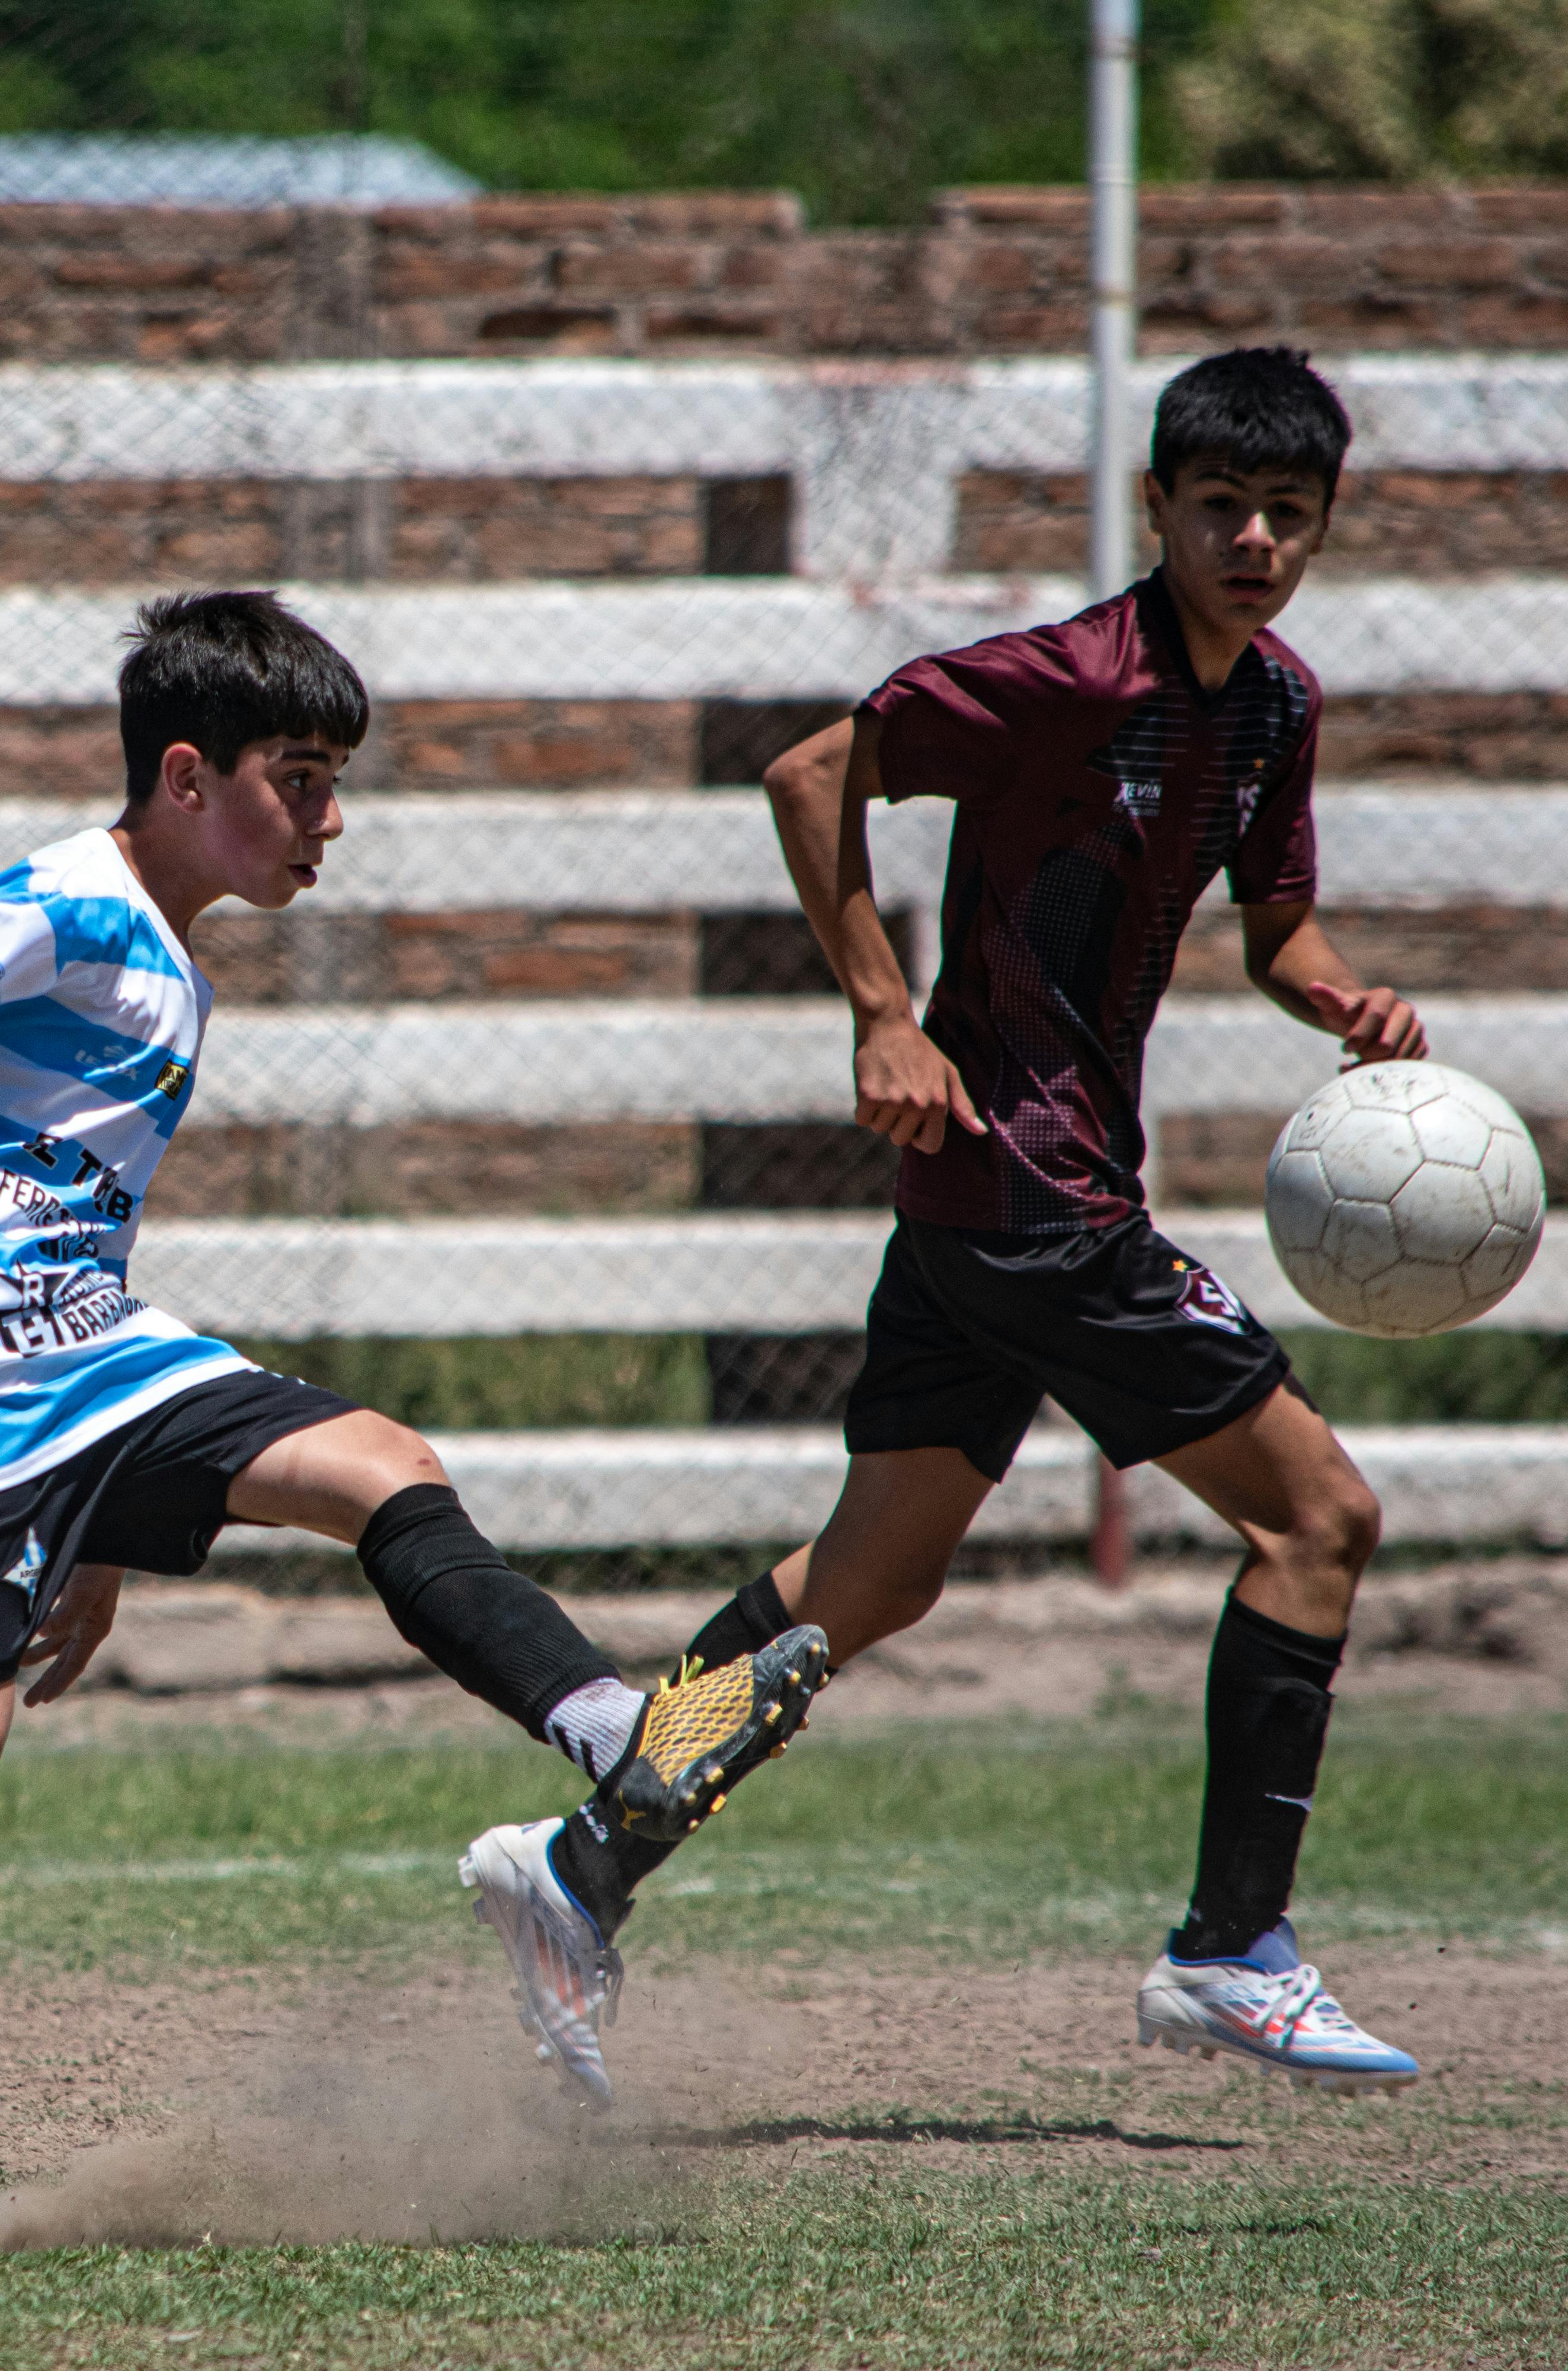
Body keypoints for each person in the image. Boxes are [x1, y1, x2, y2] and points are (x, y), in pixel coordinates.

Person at [0, 590, 833, 2245]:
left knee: (383, 1466)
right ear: (187, 775)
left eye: (339, 781)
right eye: (299, 776)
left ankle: (614, 1733)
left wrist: (104, 1524)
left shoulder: (173, 963)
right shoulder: (75, 899)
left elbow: (72, 1203)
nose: (328, 818)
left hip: (87, 1352)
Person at [601, 346, 1425, 2095]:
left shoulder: (1274, 706)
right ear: (1159, 508)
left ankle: (584, 1858)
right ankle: (1231, 1949)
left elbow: (1279, 935)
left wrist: (1344, 1002)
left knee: (864, 1583)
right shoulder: (1066, 679)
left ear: (1325, 526)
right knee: (1323, 1519)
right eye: (1222, 508)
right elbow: (810, 775)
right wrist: (881, 1012)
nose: (1255, 538)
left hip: (1001, 1202)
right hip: (1035, 1198)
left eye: (1289, 513)